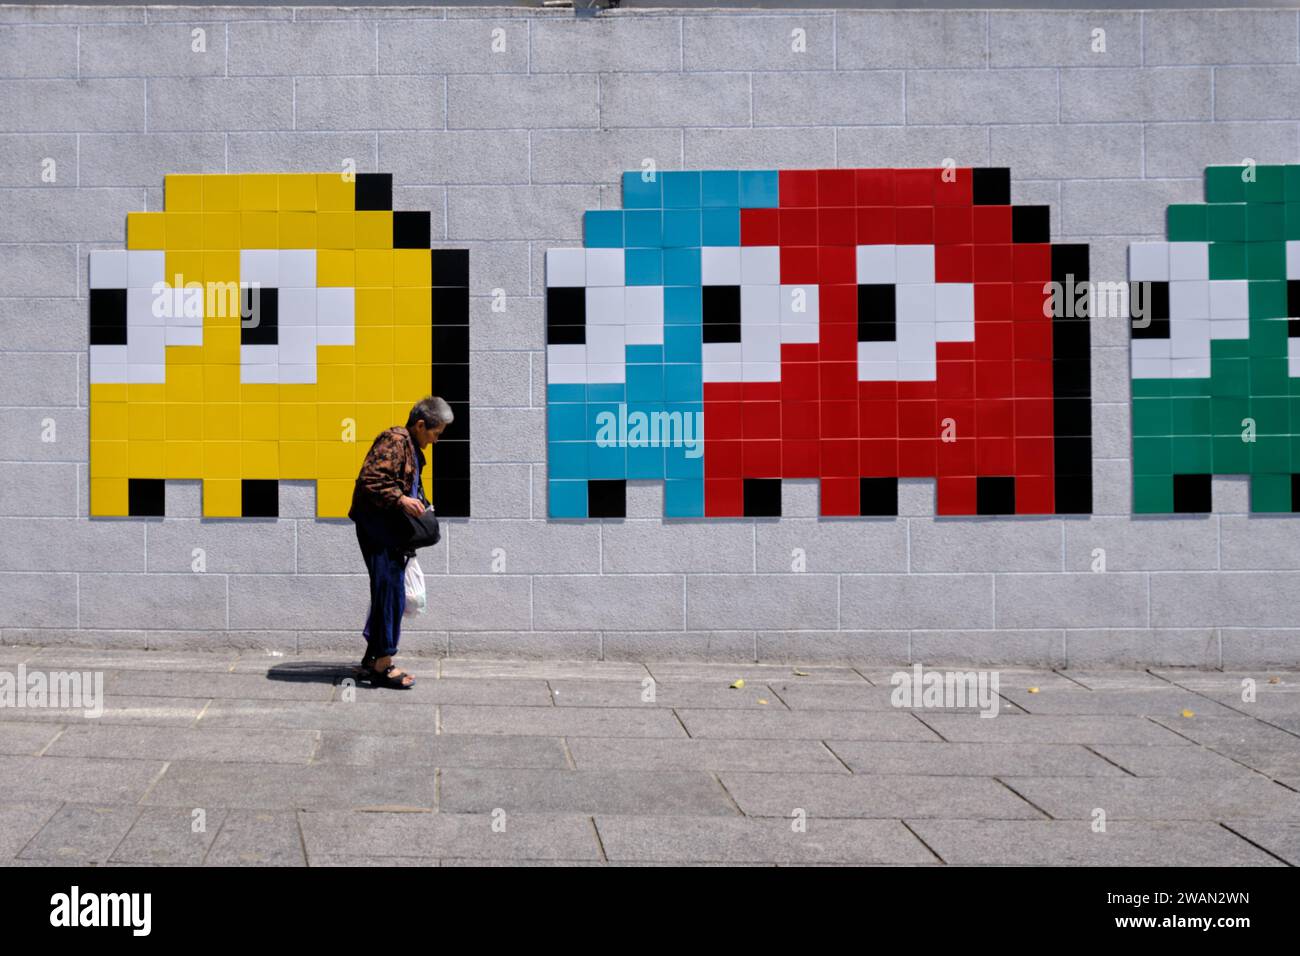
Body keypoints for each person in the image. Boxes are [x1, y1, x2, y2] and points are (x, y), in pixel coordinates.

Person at [348, 395, 454, 689]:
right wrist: (402, 500)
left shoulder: (410, 446)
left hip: (387, 530)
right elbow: (370, 480)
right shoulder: (394, 440)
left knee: (388, 591)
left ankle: (373, 659)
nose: (435, 440)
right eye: (435, 433)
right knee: (389, 592)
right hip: (378, 530)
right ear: (420, 425)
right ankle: (382, 665)